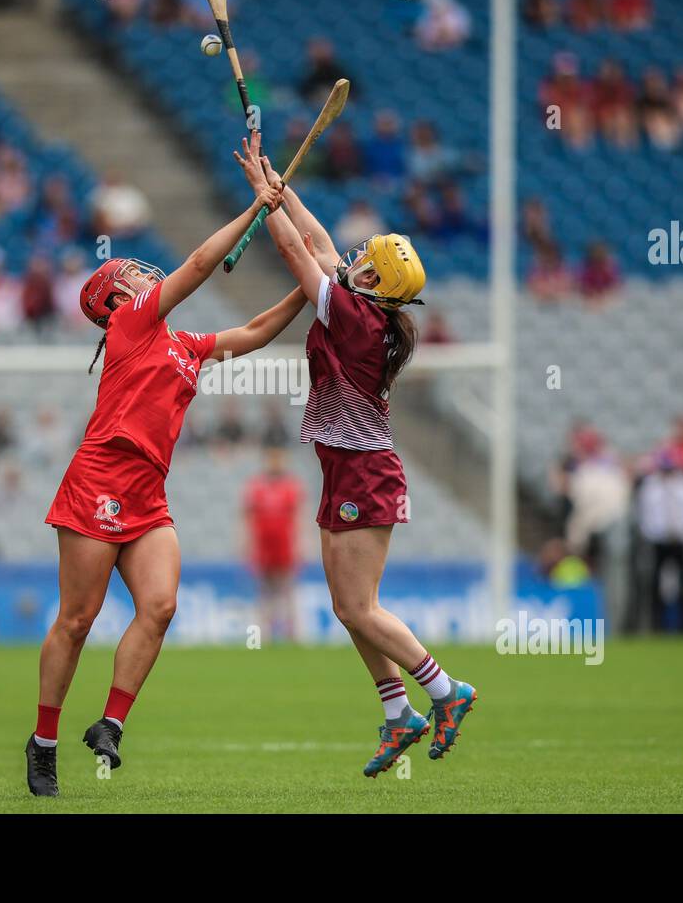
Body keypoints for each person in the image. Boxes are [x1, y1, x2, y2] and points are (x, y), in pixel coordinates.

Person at [27, 176, 303, 797]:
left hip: (148, 496)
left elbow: (256, 332)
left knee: (160, 607)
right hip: (97, 483)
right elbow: (203, 262)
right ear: (117, 297)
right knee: (77, 620)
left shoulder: (182, 345)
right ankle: (43, 743)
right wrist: (257, 205)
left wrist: (312, 287)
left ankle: (110, 725)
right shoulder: (130, 327)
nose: (146, 275)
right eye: (132, 272)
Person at [234, 132, 476, 777]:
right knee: (348, 609)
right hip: (344, 468)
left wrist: (267, 203)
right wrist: (279, 189)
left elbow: (295, 250)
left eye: (366, 259)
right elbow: (315, 240)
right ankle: (399, 715)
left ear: (377, 282)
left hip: (364, 473)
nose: (355, 259)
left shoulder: (355, 317)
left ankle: (447, 691)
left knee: (359, 606)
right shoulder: (363, 301)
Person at [243, 446, 304, 641]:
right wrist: (246, 545)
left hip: (284, 546)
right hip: (263, 547)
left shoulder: (291, 487)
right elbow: (247, 518)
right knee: (264, 592)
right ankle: (262, 635)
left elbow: (298, 519)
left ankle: (292, 634)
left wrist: (300, 545)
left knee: (287, 590)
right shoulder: (256, 487)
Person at [636, 453, 683, 633]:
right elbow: (643, 512)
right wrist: (648, 532)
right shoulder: (650, 486)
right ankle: (658, 626)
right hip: (659, 541)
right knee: (656, 584)